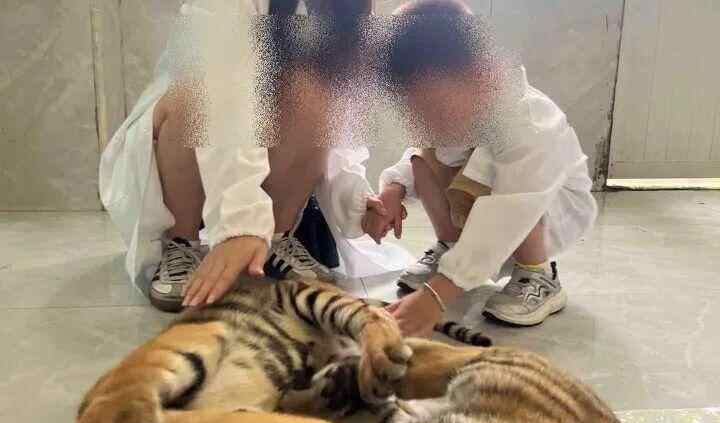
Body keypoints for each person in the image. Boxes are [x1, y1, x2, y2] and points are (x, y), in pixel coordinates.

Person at [99, 0, 410, 313]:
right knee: (195, 90)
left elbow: (339, 131)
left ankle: (277, 238)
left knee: (317, 96)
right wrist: (242, 224)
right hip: (185, 147)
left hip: (264, 155)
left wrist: (357, 203)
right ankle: (181, 243)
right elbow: (223, 96)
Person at [363, 0, 597, 337]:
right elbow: (416, 156)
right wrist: (393, 191)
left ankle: (538, 274)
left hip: (546, 209)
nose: (423, 121)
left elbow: (510, 211)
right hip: (492, 202)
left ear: (479, 76)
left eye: (431, 108)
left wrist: (437, 295)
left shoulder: (529, 123)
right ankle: (451, 248)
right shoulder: (463, 107)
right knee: (423, 156)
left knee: (514, 194)